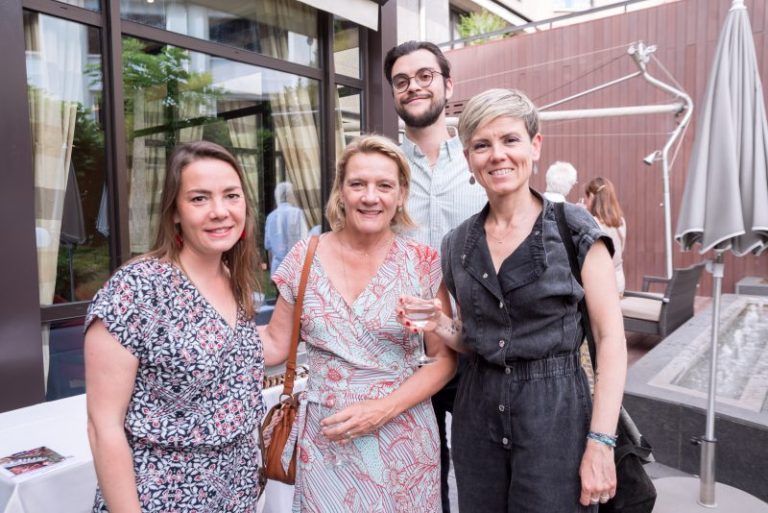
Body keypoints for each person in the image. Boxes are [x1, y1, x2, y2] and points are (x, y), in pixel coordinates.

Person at [416, 89, 627, 513]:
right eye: (482, 144)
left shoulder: (573, 228)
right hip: (477, 417)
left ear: (535, 145)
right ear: (469, 160)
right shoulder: (456, 244)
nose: (497, 155)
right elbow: (479, 340)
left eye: (510, 140)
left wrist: (601, 443)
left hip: (556, 415)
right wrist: (442, 326)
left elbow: (610, 340)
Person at [258, 134, 457, 512]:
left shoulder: (423, 262)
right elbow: (274, 345)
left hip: (404, 439)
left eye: (384, 186)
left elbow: (445, 360)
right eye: (358, 184)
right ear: (341, 192)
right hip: (328, 442)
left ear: (401, 195)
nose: (370, 197)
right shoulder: (304, 257)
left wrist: (383, 408)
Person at [84, 141, 266, 512]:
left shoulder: (235, 282)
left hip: (236, 495)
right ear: (176, 212)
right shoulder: (136, 289)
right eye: (199, 199)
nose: (220, 211)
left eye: (231, 196)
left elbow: (231, 358)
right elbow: (103, 427)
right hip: (161, 499)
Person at [384, 40, 487, 513]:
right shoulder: (385, 170)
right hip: (402, 354)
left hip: (476, 346)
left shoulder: (479, 162)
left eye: (425, 76)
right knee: (421, 478)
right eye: (402, 81)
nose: (413, 87)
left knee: (481, 473)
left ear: (448, 84)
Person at [584, 177, 627, 296]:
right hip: (618, 284)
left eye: (586, 198)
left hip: (600, 286)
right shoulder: (621, 222)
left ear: (591, 197)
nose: (585, 202)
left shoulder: (591, 222)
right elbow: (620, 250)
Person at [264, 181, 309, 277]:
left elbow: (269, 249)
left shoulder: (271, 217)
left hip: (278, 269)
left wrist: (273, 271)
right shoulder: (297, 213)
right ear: (290, 195)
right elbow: (305, 241)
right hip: (295, 268)